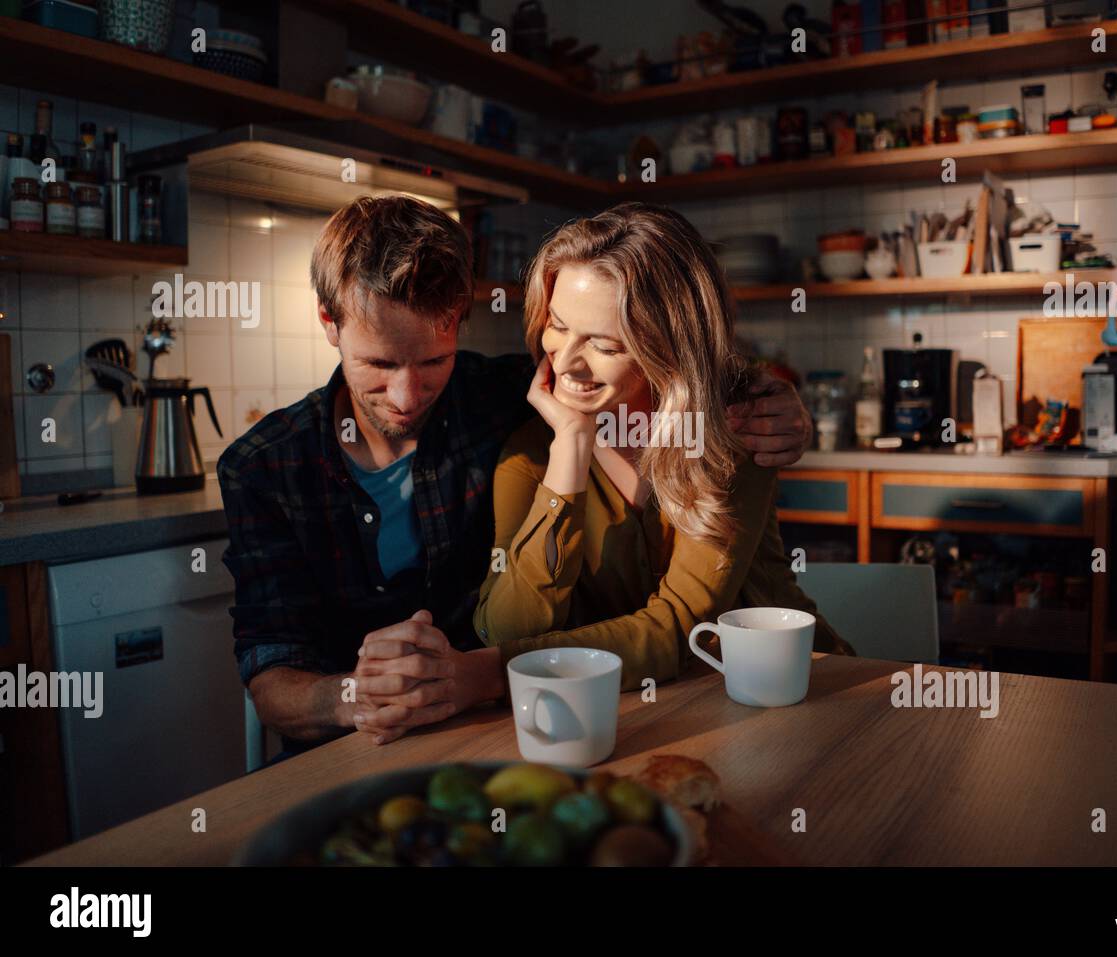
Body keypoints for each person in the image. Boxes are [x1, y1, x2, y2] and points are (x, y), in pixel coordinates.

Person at [217, 195, 815, 751]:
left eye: (433, 361)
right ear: (328, 322)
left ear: (459, 321)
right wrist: (357, 694)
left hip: (531, 718)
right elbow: (271, 674)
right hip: (364, 741)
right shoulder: (264, 467)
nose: (406, 394)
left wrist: (774, 400)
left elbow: (683, 370)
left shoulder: (505, 398)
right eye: (377, 363)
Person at [474, 202, 852, 686]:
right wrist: (570, 447)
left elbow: (678, 629)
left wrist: (485, 677)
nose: (566, 362)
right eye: (557, 325)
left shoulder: (733, 431)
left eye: (605, 346)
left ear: (669, 348)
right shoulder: (529, 454)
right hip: (650, 709)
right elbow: (504, 628)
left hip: (794, 687)